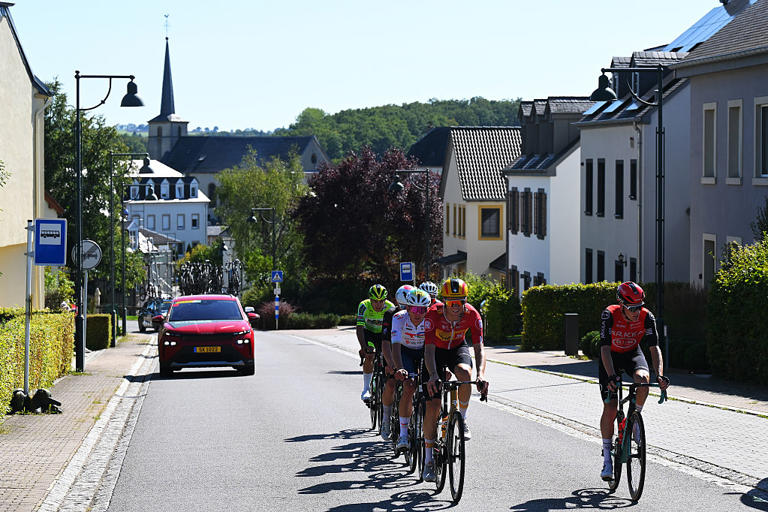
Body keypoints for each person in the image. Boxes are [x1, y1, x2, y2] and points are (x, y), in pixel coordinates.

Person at [598, 281, 670, 481]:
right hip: (610, 357)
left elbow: (654, 348)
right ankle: (607, 458)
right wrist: (611, 375)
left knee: (643, 380)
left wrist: (660, 374)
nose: (637, 311)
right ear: (621, 304)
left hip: (631, 354)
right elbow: (604, 348)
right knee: (611, 408)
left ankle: (635, 419)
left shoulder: (647, 317)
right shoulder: (609, 314)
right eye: (632, 308)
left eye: (640, 306)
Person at [421, 278, 489, 482]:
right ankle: (428, 461)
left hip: (457, 348)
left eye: (460, 302)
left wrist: (481, 374)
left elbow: (479, 348)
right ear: (444, 302)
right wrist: (433, 375)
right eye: (451, 303)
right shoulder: (432, 315)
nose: (456, 308)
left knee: (464, 374)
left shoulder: (472, 314)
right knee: (433, 405)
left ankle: (463, 419)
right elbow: (429, 349)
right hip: (436, 353)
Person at [391, 288, 432, 453]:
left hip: (424, 352)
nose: (418, 313)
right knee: (409, 386)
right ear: (407, 308)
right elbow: (395, 346)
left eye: (422, 310)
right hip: (405, 351)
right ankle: (403, 435)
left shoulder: (430, 320)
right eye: (414, 309)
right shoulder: (399, 318)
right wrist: (399, 368)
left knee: (430, 386)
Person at [379, 284, 414, 441]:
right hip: (392, 351)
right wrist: (392, 365)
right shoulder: (391, 314)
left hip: (410, 349)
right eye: (402, 305)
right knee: (391, 382)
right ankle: (386, 419)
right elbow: (386, 343)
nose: (405, 309)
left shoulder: (417, 313)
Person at [356, 284, 396, 403]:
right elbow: (359, 328)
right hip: (368, 333)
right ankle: (366, 389)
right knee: (370, 355)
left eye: (381, 301)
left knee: (388, 360)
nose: (378, 305)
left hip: (383, 335)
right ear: (370, 300)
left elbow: (393, 331)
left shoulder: (390, 307)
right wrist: (363, 347)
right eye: (375, 301)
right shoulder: (364, 306)